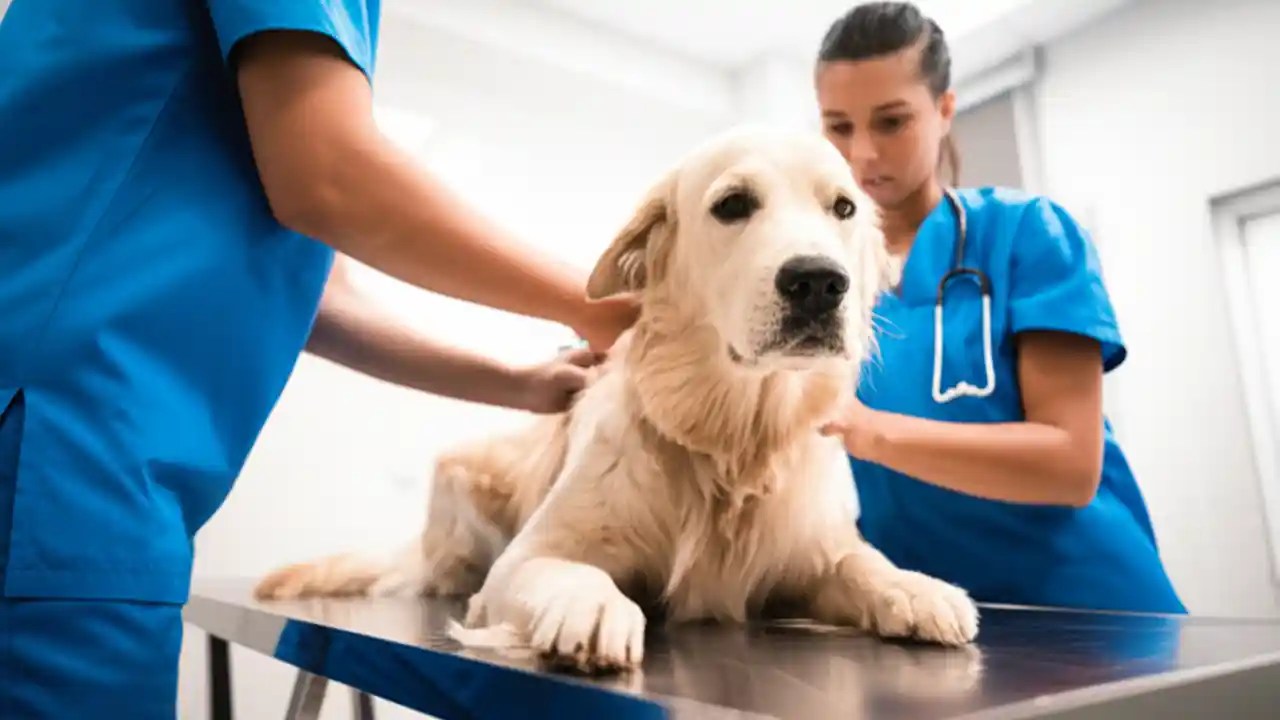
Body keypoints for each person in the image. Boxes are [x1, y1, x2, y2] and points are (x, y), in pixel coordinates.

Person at [0, 0, 637, 717]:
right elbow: (327, 176)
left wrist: (518, 383)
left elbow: (319, 296)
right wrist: (593, 300)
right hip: (57, 457)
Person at [812, 2, 1187, 615]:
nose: (862, 155)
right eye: (839, 127)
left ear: (944, 111)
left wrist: (868, 430)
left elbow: (1070, 464)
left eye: (891, 122)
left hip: (1091, 614)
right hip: (933, 618)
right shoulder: (821, 278)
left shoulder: (1026, 234)